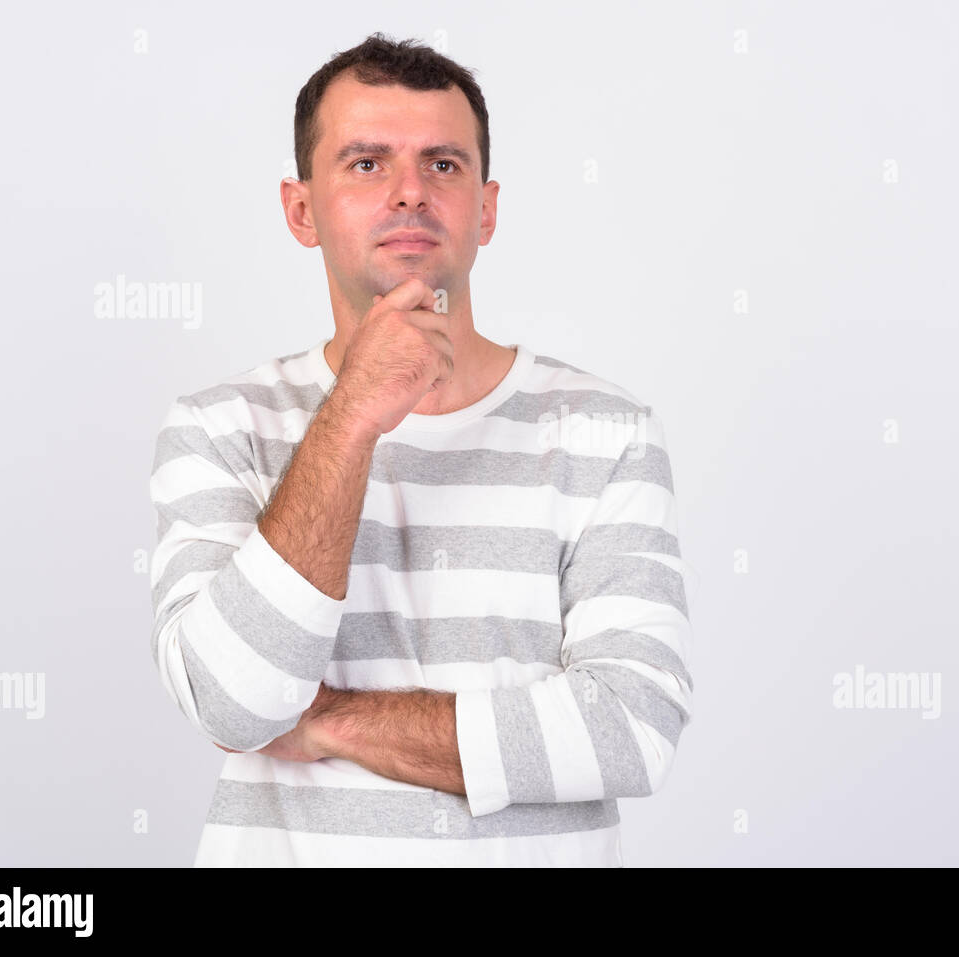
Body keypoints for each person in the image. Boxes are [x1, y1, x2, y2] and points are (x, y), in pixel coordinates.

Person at [147, 32, 694, 866]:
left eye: (443, 164)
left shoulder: (603, 429)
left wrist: (329, 717)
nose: (410, 193)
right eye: (366, 164)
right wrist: (356, 412)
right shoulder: (219, 427)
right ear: (301, 210)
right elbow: (235, 703)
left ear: (487, 208)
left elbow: (629, 728)